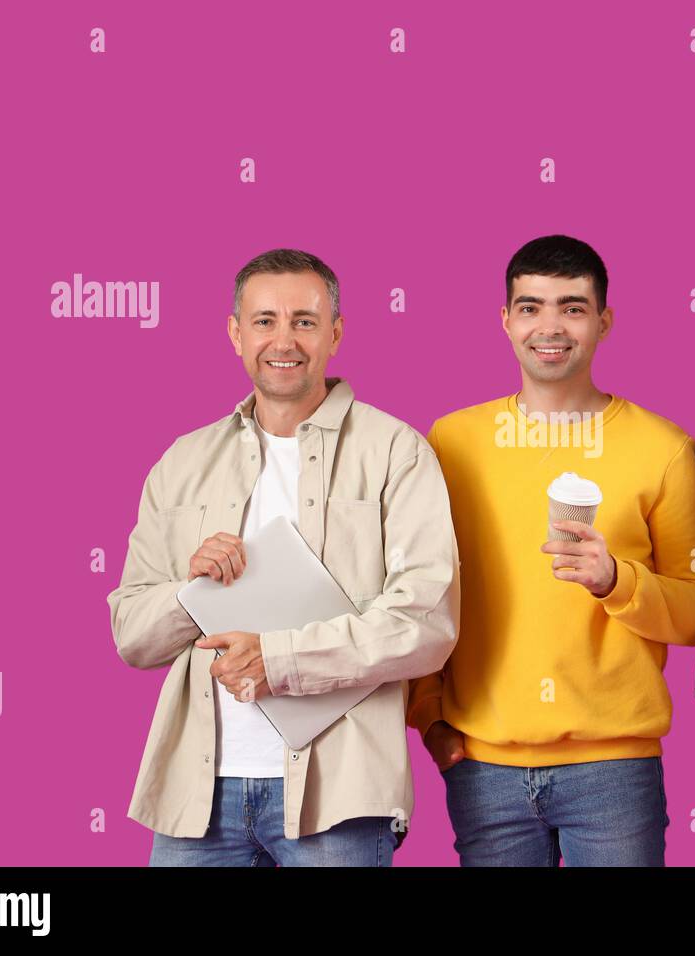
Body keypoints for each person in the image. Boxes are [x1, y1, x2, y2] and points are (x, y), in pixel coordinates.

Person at [108, 248, 459, 866]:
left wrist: (279, 660)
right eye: (265, 320)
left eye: (305, 319)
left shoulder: (396, 451)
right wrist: (193, 592)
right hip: (197, 798)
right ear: (235, 333)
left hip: (340, 799)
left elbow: (425, 626)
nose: (284, 339)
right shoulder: (181, 463)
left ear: (336, 333)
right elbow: (132, 634)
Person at [407, 235, 695, 866]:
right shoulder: (451, 441)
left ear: (604, 320)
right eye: (530, 306)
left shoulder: (665, 448)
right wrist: (429, 711)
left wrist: (616, 582)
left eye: (572, 307)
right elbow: (426, 586)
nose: (550, 326)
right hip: (482, 764)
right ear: (506, 319)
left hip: (613, 768)